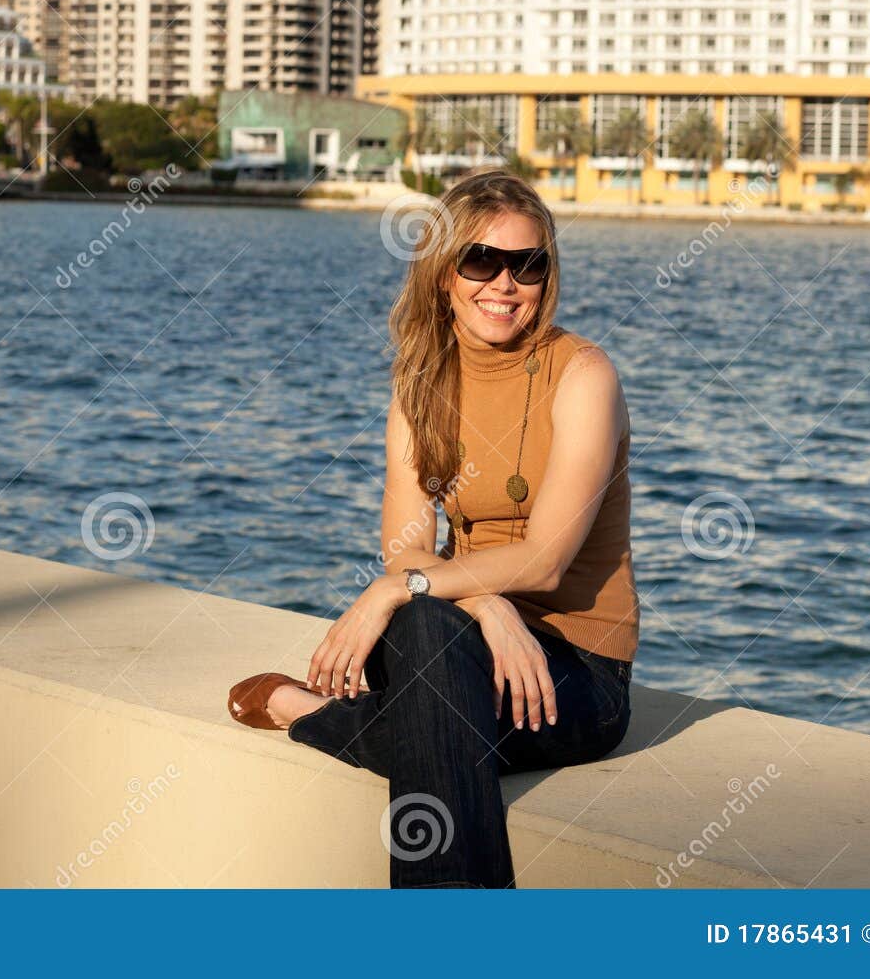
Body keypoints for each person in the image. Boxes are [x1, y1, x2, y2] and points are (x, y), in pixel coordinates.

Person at [226, 170, 639, 888]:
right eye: (481, 260)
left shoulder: (584, 377)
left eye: (528, 265)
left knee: (422, 689)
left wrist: (407, 589)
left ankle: (307, 711)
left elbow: (544, 560)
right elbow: (407, 549)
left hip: (579, 671)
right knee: (425, 637)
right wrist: (486, 605)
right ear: (443, 274)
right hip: (461, 635)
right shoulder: (420, 386)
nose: (505, 284)